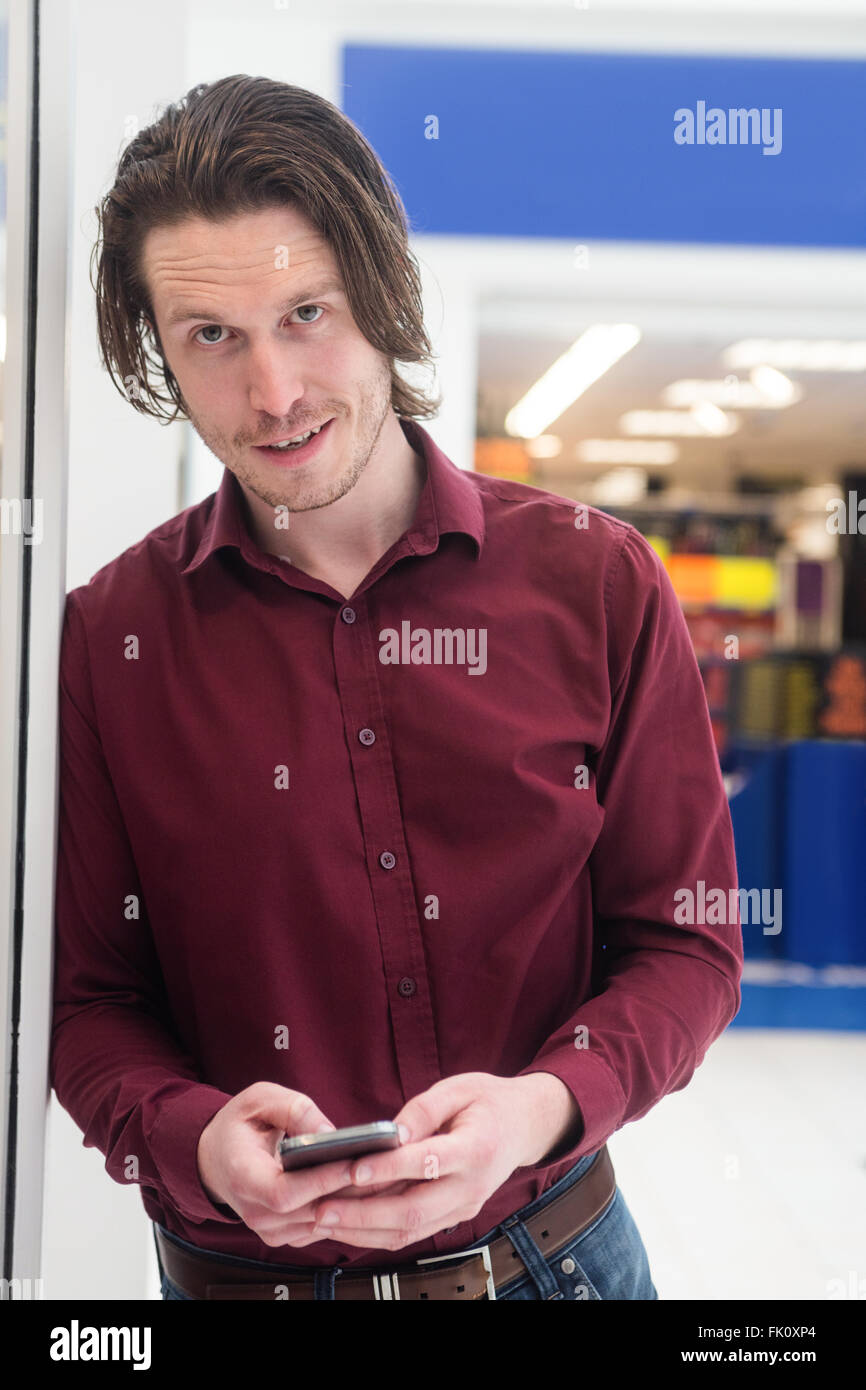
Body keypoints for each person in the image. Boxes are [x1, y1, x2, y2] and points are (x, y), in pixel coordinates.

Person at [51, 74, 742, 1302]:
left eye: (306, 313)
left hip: (553, 1262)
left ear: (381, 295)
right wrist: (194, 1135)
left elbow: (684, 941)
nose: (273, 393)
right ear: (159, 350)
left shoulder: (594, 581)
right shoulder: (108, 641)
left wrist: (538, 1107)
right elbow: (83, 1003)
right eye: (212, 335)